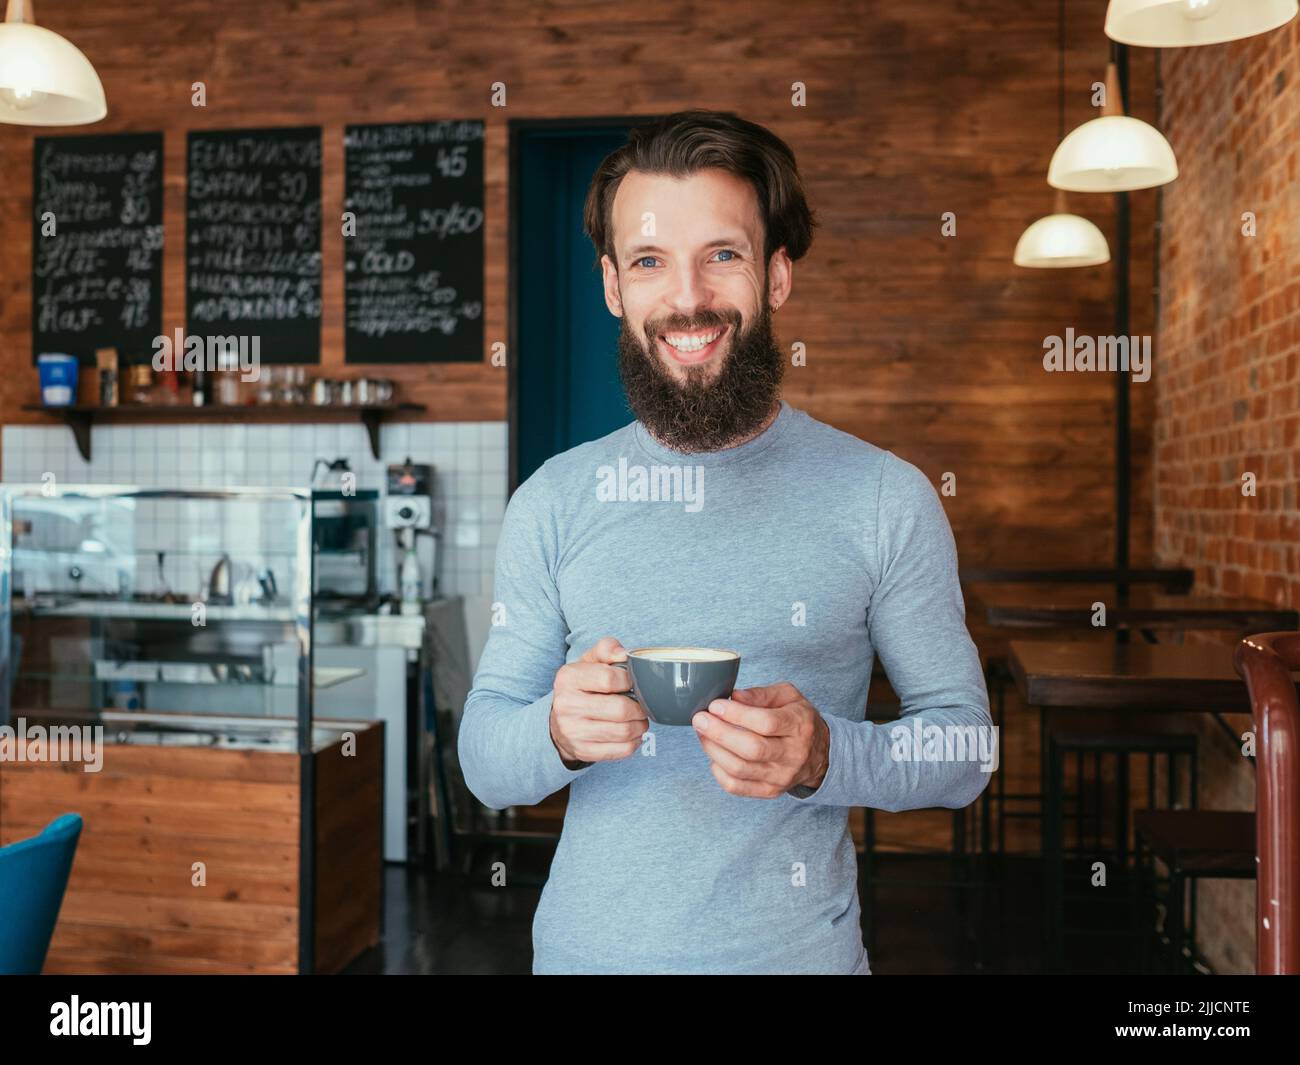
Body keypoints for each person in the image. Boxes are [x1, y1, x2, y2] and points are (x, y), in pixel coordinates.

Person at [459, 109, 993, 974]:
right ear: (612, 286)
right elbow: (484, 757)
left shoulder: (886, 497)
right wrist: (555, 731)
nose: (688, 298)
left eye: (723, 254)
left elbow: (966, 749)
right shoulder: (551, 500)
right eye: (649, 261)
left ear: (777, 275)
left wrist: (827, 754)